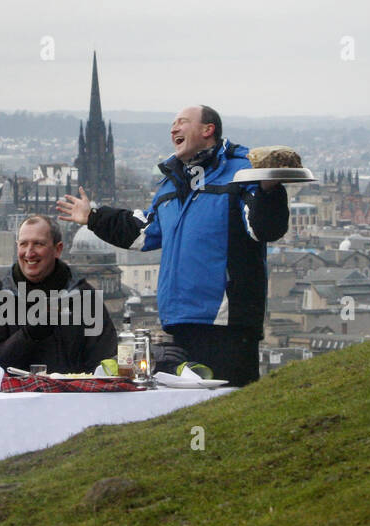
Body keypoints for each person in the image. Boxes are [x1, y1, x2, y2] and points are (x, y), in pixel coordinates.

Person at [57, 105, 290, 386]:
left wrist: (269, 189)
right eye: (172, 124)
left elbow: (264, 228)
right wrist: (93, 217)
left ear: (208, 130)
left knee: (228, 404)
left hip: (227, 323)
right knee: (187, 406)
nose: (173, 128)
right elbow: (143, 231)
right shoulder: (171, 184)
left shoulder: (242, 171)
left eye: (182, 122)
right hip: (179, 320)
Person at [0, 215, 117, 373]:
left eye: (38, 244)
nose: (29, 253)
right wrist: (29, 335)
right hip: (14, 396)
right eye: (23, 244)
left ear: (58, 249)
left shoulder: (84, 297)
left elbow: (105, 364)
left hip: (72, 395)